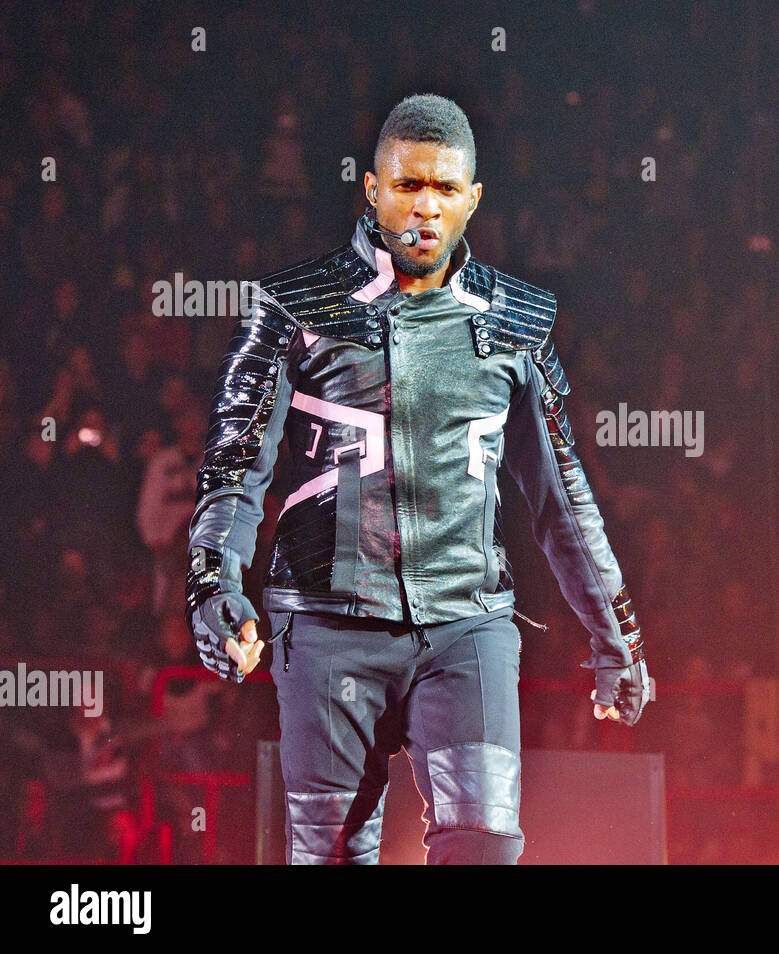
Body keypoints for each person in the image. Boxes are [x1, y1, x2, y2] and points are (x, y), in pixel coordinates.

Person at [185, 94, 650, 864]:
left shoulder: (516, 321)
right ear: (371, 190)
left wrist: (618, 636)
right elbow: (233, 467)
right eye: (406, 187)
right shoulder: (290, 307)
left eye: (442, 189)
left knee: (485, 846)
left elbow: (562, 497)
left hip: (468, 623)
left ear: (472, 199)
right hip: (326, 623)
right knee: (331, 854)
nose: (424, 209)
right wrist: (213, 584)